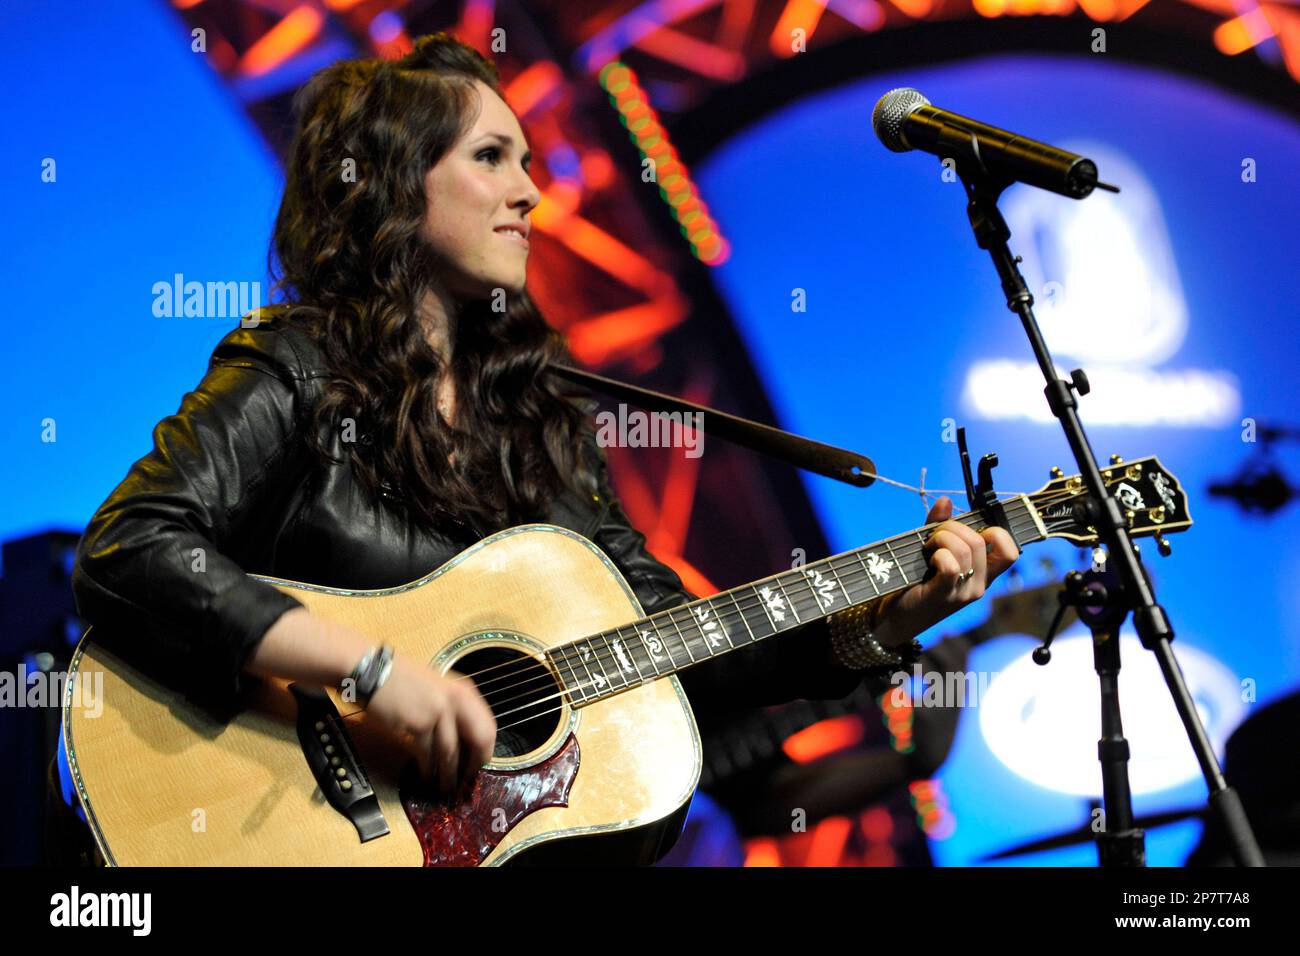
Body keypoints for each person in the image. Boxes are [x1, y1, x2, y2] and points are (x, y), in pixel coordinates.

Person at [54, 33, 1018, 863]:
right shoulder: (301, 365)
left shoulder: (542, 420)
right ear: (396, 182)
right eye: (492, 158)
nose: (532, 193)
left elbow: (685, 655)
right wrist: (374, 675)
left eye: (526, 160)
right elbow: (131, 546)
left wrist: (885, 619)